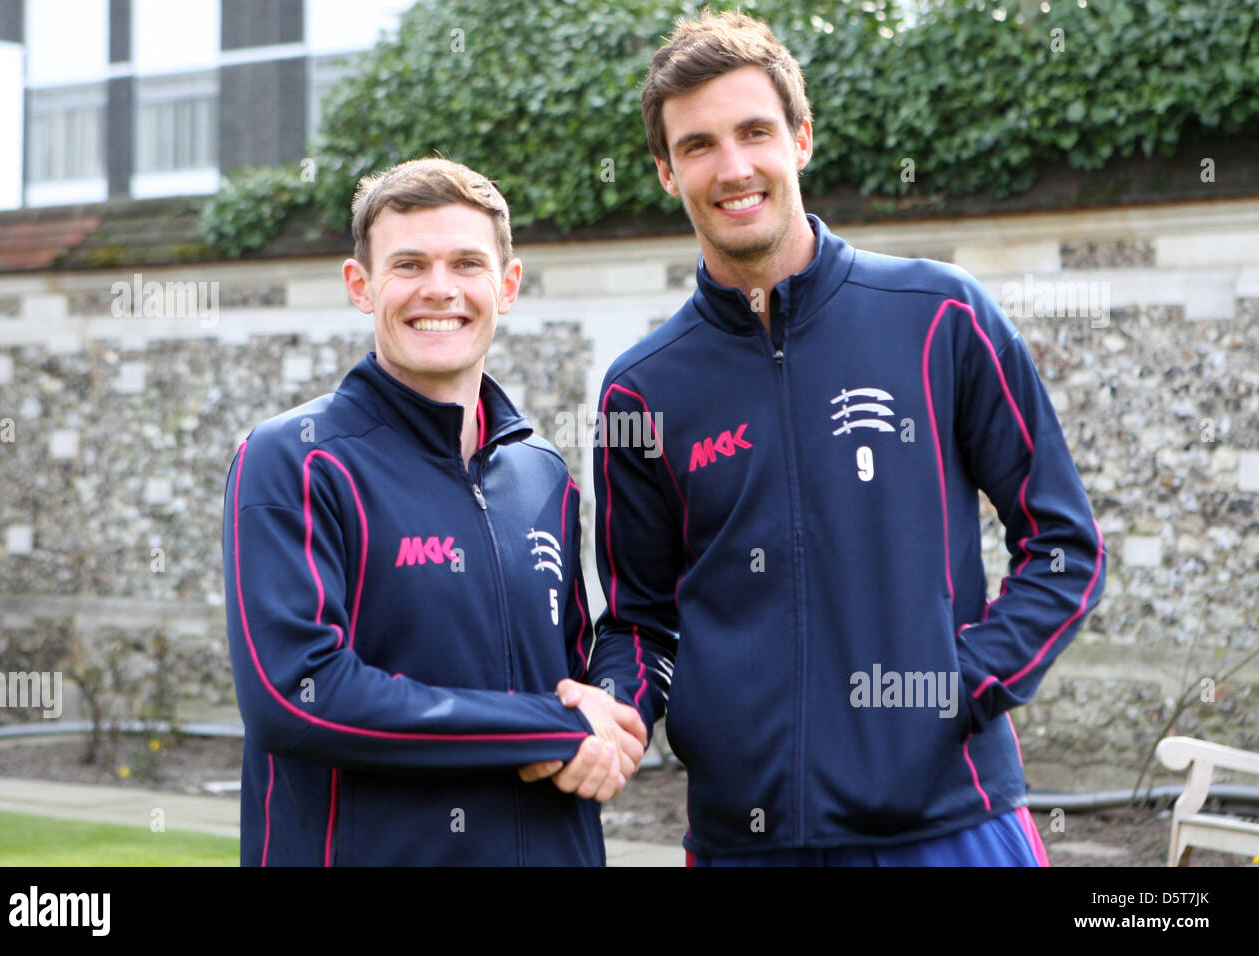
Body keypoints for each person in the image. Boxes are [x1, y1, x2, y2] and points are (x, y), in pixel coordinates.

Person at [584, 11, 1106, 865]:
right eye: (699, 145)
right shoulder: (641, 389)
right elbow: (642, 620)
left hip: (952, 824)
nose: (735, 167)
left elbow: (1064, 546)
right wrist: (618, 707)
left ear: (803, 139)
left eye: (755, 131)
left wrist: (961, 686)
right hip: (745, 839)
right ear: (666, 172)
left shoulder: (941, 316)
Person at [221, 157, 646, 866]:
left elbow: (575, 670)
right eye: (409, 265)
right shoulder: (295, 459)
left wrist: (608, 719)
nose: (440, 290)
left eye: (467, 264)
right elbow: (296, 695)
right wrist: (548, 728)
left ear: (506, 285)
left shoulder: (544, 475)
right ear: (362, 286)